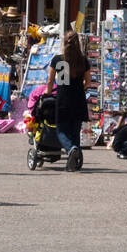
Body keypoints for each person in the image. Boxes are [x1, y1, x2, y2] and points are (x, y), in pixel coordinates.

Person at [55, 31, 90, 172]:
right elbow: (88, 82)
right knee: (75, 131)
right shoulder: (83, 60)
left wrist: (47, 91)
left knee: (61, 130)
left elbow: (55, 80)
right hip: (79, 98)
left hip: (64, 98)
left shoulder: (60, 60)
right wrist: (81, 87)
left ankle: (71, 149)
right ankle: (74, 162)